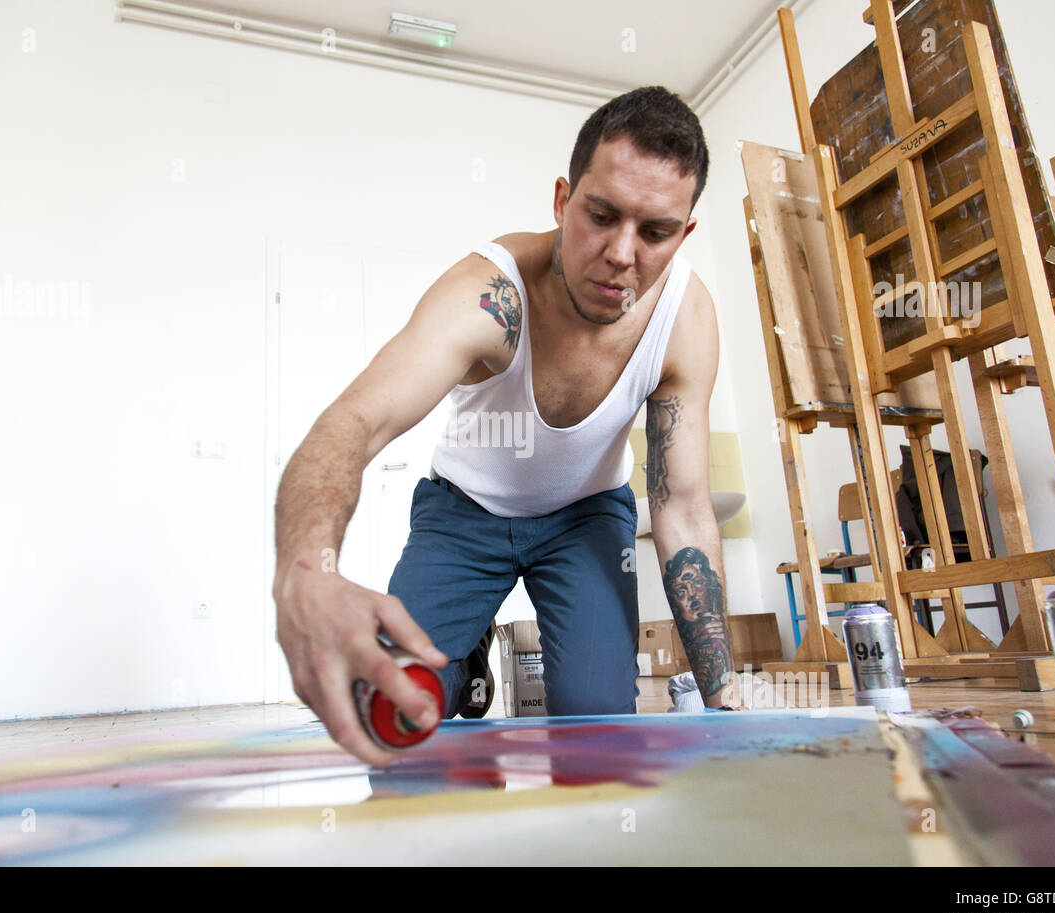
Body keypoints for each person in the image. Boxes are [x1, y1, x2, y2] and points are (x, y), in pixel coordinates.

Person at [273, 86, 741, 768]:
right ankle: (462, 657)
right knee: (397, 715)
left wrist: (722, 693)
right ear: (562, 200)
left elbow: (686, 511)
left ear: (685, 233)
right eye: (601, 215)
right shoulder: (487, 296)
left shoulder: (685, 319)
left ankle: (471, 651)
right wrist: (305, 570)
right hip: (465, 514)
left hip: (586, 520)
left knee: (598, 734)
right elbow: (356, 422)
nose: (620, 253)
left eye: (655, 232)